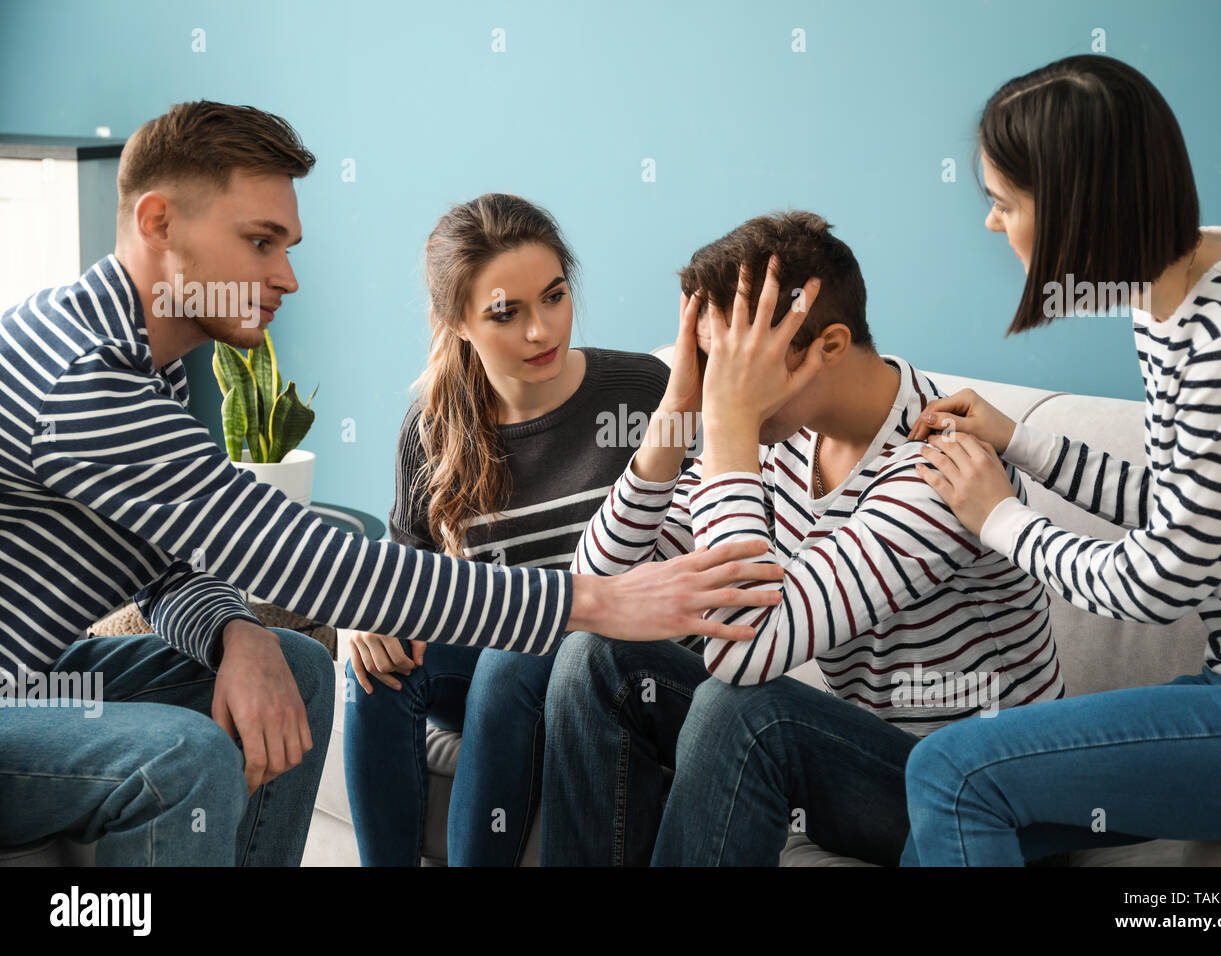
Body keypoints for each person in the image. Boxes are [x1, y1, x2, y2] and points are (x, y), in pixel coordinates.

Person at [0, 101, 781, 866]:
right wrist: (595, 600)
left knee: (299, 665)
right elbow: (296, 554)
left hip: (37, 682)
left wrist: (235, 634)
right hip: (15, 701)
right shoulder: (85, 381)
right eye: (261, 243)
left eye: (288, 245)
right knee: (181, 755)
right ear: (159, 223)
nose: (289, 278)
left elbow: (164, 565)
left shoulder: (145, 365)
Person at [540, 210, 1065, 867]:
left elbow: (746, 656)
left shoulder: (943, 464)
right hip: (863, 762)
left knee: (745, 709)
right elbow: (598, 592)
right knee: (595, 656)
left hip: (985, 800)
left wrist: (728, 426)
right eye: (710, 360)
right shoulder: (779, 439)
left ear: (831, 346)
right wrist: (675, 415)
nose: (719, 385)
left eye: (735, 362)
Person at [902, 54, 1221, 866]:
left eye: (1003, 203)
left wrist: (1000, 519)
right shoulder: (1184, 284)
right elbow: (1180, 503)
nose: (991, 224)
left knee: (952, 771)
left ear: (1079, 206)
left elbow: (1158, 583)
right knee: (943, 811)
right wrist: (1022, 441)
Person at [343, 193, 679, 866]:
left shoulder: (643, 394)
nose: (540, 330)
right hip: (493, 692)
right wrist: (364, 619)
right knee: (373, 666)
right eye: (507, 312)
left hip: (611, 680)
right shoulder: (433, 427)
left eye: (554, 297)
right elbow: (405, 577)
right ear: (458, 321)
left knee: (514, 647)